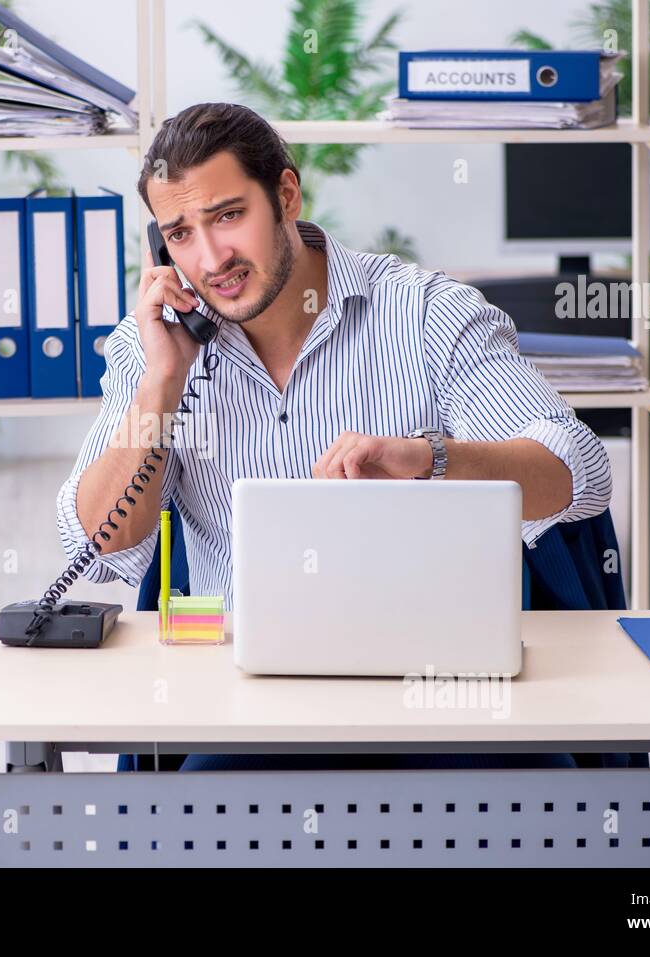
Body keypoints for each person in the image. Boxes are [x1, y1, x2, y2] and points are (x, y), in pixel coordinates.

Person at [55, 103, 611, 771]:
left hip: (438, 684)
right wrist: (162, 383)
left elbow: (579, 469)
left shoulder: (426, 313)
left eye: (229, 215)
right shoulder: (152, 353)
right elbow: (99, 538)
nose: (211, 258)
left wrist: (432, 460)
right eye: (179, 233)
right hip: (246, 699)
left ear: (286, 195)